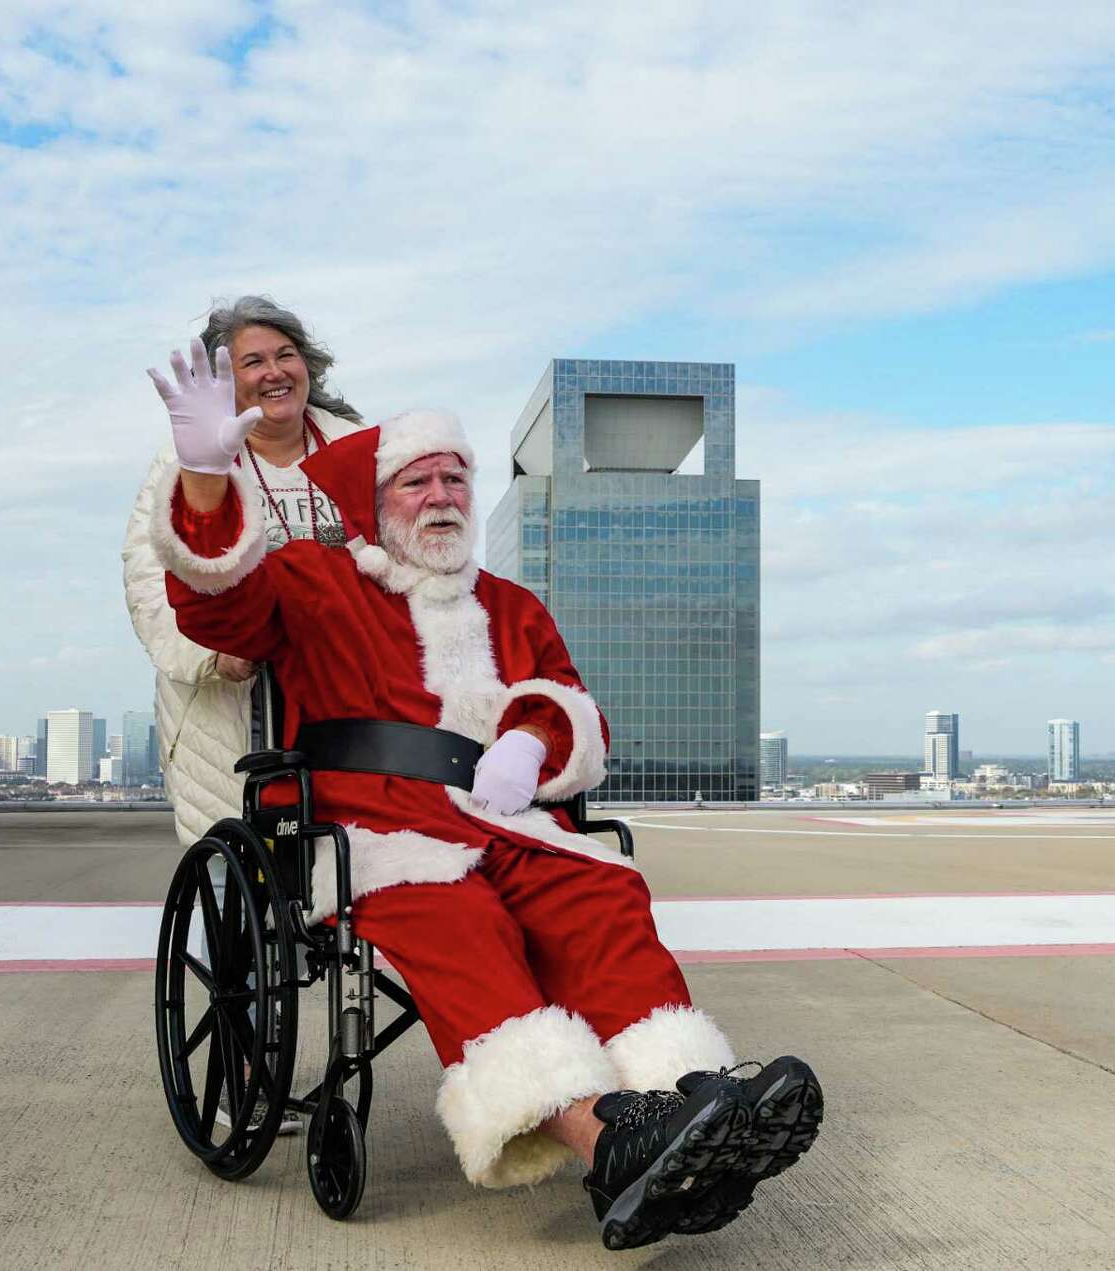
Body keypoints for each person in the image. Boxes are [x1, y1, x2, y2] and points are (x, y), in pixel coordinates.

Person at [146, 346, 822, 1250]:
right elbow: (213, 607)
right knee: (454, 917)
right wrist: (201, 475)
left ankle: (690, 1104)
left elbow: (575, 709)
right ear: (376, 505)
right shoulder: (316, 581)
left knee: (603, 894)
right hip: (376, 826)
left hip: (511, 820)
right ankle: (606, 1142)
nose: (441, 496)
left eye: (454, 478)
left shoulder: (512, 603)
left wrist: (530, 739)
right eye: (417, 481)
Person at [121, 296, 370, 851]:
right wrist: (215, 657)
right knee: (235, 882)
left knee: (352, 865)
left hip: (350, 696)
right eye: (252, 362)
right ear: (222, 381)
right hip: (229, 704)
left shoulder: (364, 448)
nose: (275, 372)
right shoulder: (185, 461)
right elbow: (148, 582)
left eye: (286, 355)